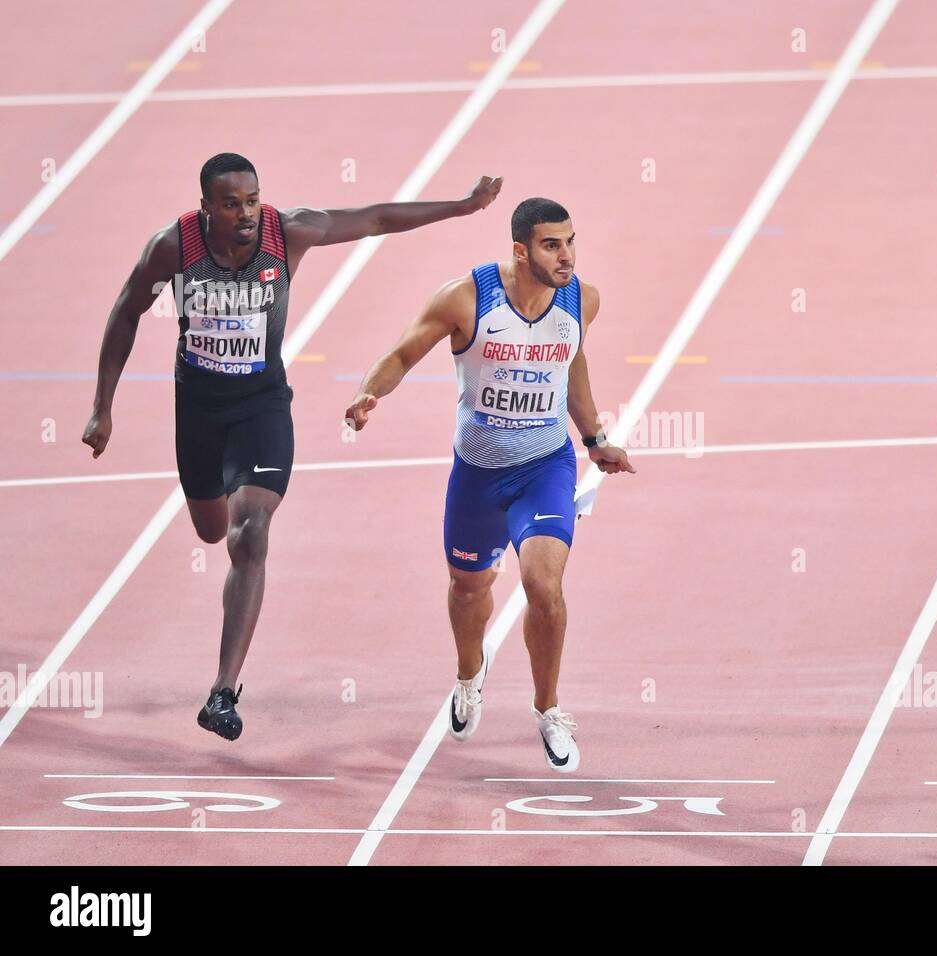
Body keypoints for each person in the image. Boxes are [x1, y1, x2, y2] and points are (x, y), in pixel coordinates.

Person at [82, 152, 502, 741]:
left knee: (250, 532)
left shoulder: (290, 232)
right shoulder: (172, 248)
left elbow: (376, 218)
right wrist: (103, 405)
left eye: (252, 199)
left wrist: (462, 206)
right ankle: (225, 525)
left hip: (262, 408)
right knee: (211, 530)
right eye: (232, 204)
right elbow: (127, 310)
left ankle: (223, 692)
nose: (247, 212)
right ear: (207, 207)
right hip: (199, 411)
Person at [345, 197, 634, 772]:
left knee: (542, 585)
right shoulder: (466, 297)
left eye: (571, 241)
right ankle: (468, 674)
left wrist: (595, 438)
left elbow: (572, 365)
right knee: (469, 589)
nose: (567, 255)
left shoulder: (583, 301)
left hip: (545, 468)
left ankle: (547, 708)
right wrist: (368, 393)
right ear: (520, 249)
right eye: (553, 244)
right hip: (477, 475)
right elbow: (403, 353)